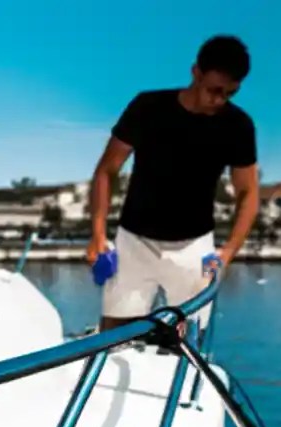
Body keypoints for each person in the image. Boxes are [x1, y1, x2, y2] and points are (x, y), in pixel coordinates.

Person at [88, 35, 260, 332]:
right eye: (214, 90)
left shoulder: (238, 126)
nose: (219, 100)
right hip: (134, 243)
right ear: (196, 72)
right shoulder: (147, 107)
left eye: (229, 94)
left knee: (192, 337)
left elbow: (248, 192)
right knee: (112, 333)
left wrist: (228, 252)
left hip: (196, 248)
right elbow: (107, 170)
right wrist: (97, 235)